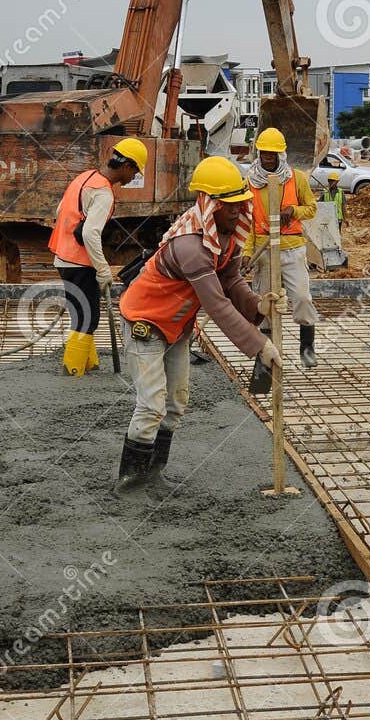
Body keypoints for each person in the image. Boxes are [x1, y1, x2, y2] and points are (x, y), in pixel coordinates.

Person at [117, 155, 281, 486]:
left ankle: (153, 473)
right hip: (146, 325)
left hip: (176, 328)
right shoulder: (191, 244)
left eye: (240, 202)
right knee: (151, 404)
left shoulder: (225, 236)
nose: (237, 209)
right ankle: (129, 480)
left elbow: (231, 281)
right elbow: (216, 303)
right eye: (228, 204)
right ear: (209, 203)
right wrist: (259, 345)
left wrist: (257, 307)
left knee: (175, 403)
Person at [49, 137, 148, 375]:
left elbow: (60, 210)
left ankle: (88, 363)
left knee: (83, 314)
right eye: (135, 173)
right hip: (80, 262)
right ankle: (72, 371)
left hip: (64, 257)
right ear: (127, 166)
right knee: (86, 318)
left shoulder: (85, 177)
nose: (133, 178)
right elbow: (92, 233)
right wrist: (103, 270)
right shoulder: (103, 192)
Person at [243, 126, 321, 369]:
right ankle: (266, 356)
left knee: (301, 298)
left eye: (272, 154)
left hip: (292, 247)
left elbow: (312, 208)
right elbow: (248, 221)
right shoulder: (250, 182)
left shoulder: (295, 178)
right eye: (264, 153)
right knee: (265, 302)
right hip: (264, 250)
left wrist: (293, 210)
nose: (267, 157)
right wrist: (247, 253)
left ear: (281, 155)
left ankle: (307, 349)